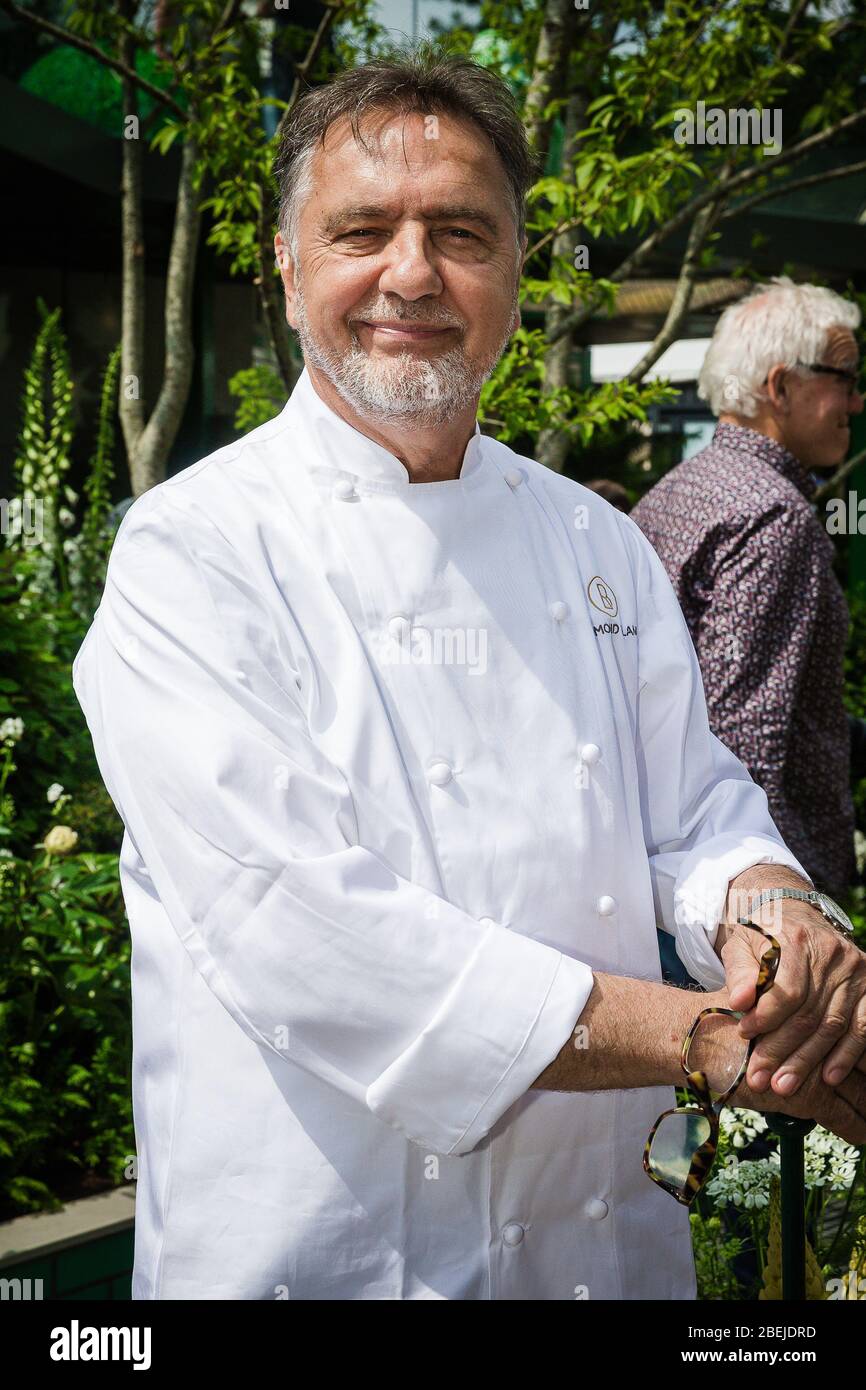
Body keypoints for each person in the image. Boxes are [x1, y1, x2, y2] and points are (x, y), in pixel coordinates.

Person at [72, 51, 866, 1302]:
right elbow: (306, 933)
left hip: (593, 1257)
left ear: (513, 270)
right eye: (360, 231)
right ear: (285, 271)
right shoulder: (194, 552)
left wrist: (780, 920)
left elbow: (697, 810)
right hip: (320, 1261)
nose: (410, 272)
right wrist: (711, 1039)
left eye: (459, 232)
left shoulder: (593, 540)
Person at [632, 278, 864, 902]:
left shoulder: (682, 487)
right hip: (758, 902)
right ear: (780, 386)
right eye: (845, 378)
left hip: (668, 876)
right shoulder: (773, 515)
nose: (858, 402)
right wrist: (771, 906)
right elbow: (744, 739)